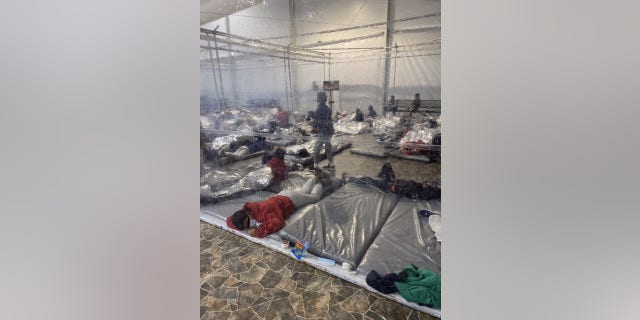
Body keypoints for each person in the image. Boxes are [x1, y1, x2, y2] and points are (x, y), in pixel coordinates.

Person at [226, 175, 324, 237]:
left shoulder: (264, 213)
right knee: (304, 192)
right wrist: (243, 227)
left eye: (247, 223)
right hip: (283, 194)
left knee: (314, 197)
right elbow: (229, 220)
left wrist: (257, 232)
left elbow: (278, 224)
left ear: (247, 214)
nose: (248, 225)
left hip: (291, 200)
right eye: (246, 225)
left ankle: (320, 182)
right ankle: (314, 178)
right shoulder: (249, 208)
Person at [312, 92, 335, 169]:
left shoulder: (319, 109)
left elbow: (317, 123)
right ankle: (331, 163)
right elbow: (328, 120)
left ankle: (315, 165)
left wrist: (313, 125)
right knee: (328, 147)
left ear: (319, 100)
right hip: (330, 130)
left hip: (323, 130)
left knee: (317, 148)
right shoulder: (328, 109)